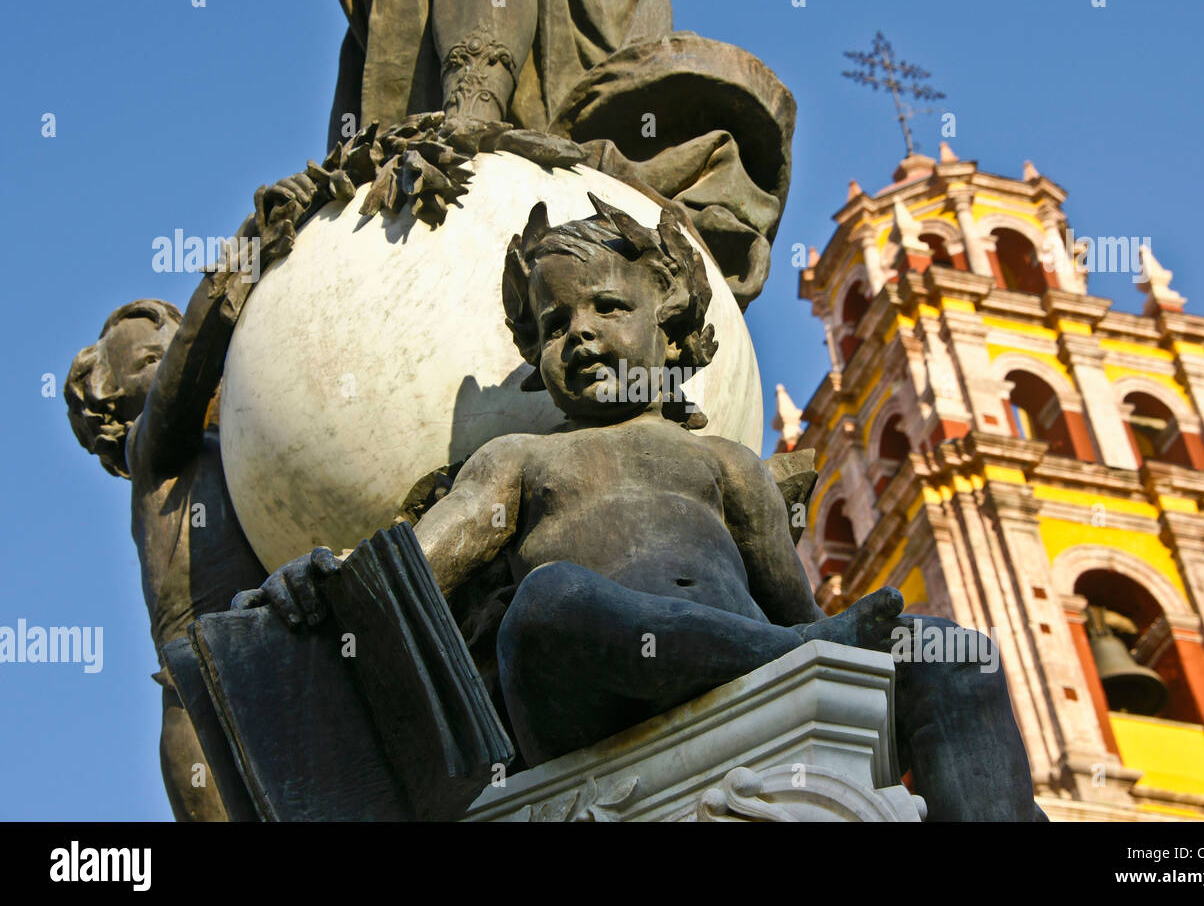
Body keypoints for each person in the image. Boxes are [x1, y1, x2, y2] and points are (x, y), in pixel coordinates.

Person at [250, 196, 1045, 820]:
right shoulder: (522, 458)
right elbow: (425, 559)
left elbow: (794, 603)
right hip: (586, 694)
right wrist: (333, 580)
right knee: (551, 600)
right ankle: (767, 663)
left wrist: (822, 648)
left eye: (604, 308)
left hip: (754, 656)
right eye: (555, 326)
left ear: (667, 310)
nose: (581, 335)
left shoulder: (725, 463)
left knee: (954, 655)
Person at [65, 272, 267, 821]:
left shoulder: (240, 446)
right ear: (111, 402)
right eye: (148, 360)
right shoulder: (149, 453)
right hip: (202, 703)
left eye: (174, 346)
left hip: (281, 663)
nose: (175, 361)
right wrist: (236, 269)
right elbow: (180, 387)